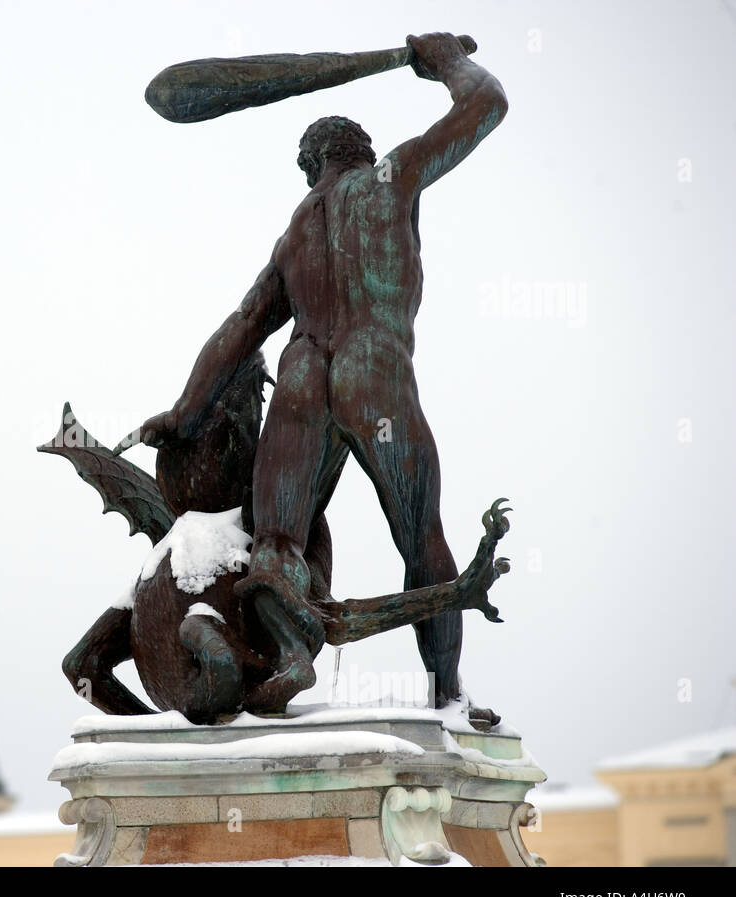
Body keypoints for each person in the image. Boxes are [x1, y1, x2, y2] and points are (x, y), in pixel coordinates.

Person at [137, 33, 508, 709]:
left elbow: (241, 327)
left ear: (312, 167)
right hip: (374, 368)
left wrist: (185, 412)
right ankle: (446, 694)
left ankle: (288, 655)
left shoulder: (294, 236)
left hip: (303, 370)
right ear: (359, 150)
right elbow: (487, 104)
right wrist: (447, 62)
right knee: (419, 536)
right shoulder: (392, 177)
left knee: (279, 538)